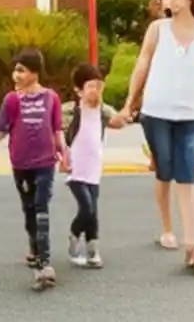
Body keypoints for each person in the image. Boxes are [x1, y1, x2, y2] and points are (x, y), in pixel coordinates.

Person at [114, 0, 194, 275]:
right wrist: (130, 102)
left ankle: (192, 247)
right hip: (156, 112)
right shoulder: (158, 29)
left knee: (187, 176)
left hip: (192, 115)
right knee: (164, 170)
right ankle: (167, 228)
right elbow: (142, 63)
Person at [0, 48, 66, 290]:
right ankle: (35, 246)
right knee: (29, 209)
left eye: (21, 70)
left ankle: (44, 264)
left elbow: (57, 130)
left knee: (41, 207)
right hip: (21, 164)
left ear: (35, 72)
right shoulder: (12, 100)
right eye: (15, 70)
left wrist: (65, 154)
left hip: (45, 163)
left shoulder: (51, 98)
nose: (16, 75)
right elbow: (0, 131)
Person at [64, 62, 126, 269]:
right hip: (76, 169)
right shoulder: (71, 111)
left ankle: (93, 250)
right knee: (87, 207)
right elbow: (54, 129)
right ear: (78, 90)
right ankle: (74, 237)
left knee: (94, 211)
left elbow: (117, 121)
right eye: (90, 86)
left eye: (99, 86)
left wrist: (126, 114)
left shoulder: (102, 110)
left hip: (94, 168)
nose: (95, 91)